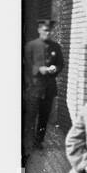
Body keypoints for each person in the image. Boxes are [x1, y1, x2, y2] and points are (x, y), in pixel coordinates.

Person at [24, 19, 65, 150]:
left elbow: (61, 64)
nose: (48, 33)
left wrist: (55, 68)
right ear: (39, 30)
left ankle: (39, 141)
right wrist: (38, 69)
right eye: (45, 30)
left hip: (49, 88)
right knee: (30, 115)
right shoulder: (31, 46)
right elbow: (26, 65)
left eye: (50, 30)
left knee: (44, 116)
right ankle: (27, 141)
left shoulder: (56, 47)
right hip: (34, 87)